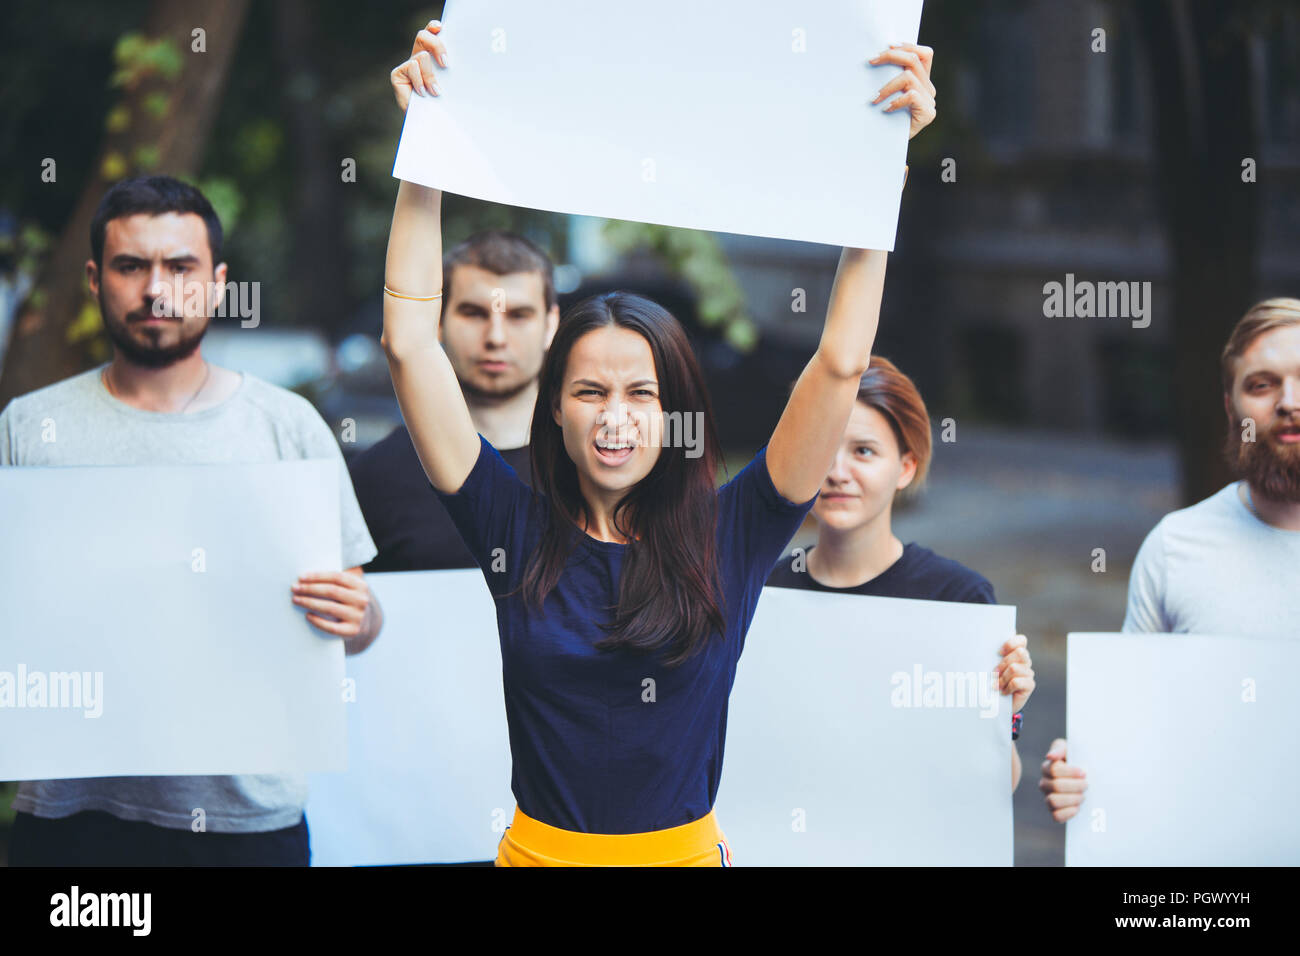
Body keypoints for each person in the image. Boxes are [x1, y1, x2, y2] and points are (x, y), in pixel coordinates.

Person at [380, 20, 936, 865]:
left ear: (676, 416)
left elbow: (838, 364)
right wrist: (425, 150)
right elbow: (410, 345)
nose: (616, 417)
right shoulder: (509, 524)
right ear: (555, 413)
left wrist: (874, 176)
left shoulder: (735, 529)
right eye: (590, 392)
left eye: (642, 394)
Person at [0, 175, 382, 866]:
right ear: (94, 279)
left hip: (245, 823)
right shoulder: (30, 427)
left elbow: (359, 625)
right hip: (69, 819)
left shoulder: (286, 427)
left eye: (179, 266)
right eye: (130, 265)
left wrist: (360, 616)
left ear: (218, 281)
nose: (155, 289)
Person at [1039, 297, 1300, 823]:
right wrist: (1081, 773)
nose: (1289, 401)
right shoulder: (1175, 547)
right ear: (1230, 408)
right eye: (1261, 384)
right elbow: (1130, 727)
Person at [766, 356, 1035, 788]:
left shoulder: (956, 599)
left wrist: (1002, 712)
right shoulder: (761, 594)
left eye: (863, 451)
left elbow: (996, 786)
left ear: (905, 467)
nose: (837, 473)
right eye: (821, 447)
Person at [348, 231, 558, 571]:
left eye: (518, 315)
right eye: (474, 313)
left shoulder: (594, 468)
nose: (496, 337)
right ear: (439, 322)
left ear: (551, 324)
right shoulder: (376, 475)